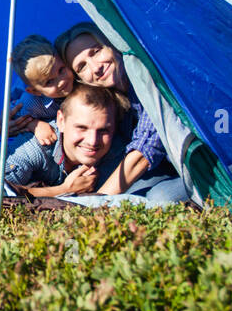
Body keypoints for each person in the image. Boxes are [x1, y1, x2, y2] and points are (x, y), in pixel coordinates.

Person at [55, 23, 169, 196]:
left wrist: (95, 204)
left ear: (111, 43)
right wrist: (27, 120)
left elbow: (146, 148)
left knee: (160, 196)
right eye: (82, 67)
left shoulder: (146, 77)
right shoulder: (108, 98)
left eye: (96, 51)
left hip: (195, 167)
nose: (96, 67)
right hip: (156, 171)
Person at [0, 83, 124, 198]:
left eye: (103, 131)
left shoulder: (120, 153)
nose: (92, 141)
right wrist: (63, 189)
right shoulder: (35, 147)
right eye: (82, 128)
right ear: (61, 121)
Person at [7, 34, 75, 147]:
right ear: (34, 91)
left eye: (61, 70)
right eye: (49, 82)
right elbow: (13, 116)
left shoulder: (76, 77)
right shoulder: (32, 102)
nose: (61, 81)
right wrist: (34, 125)